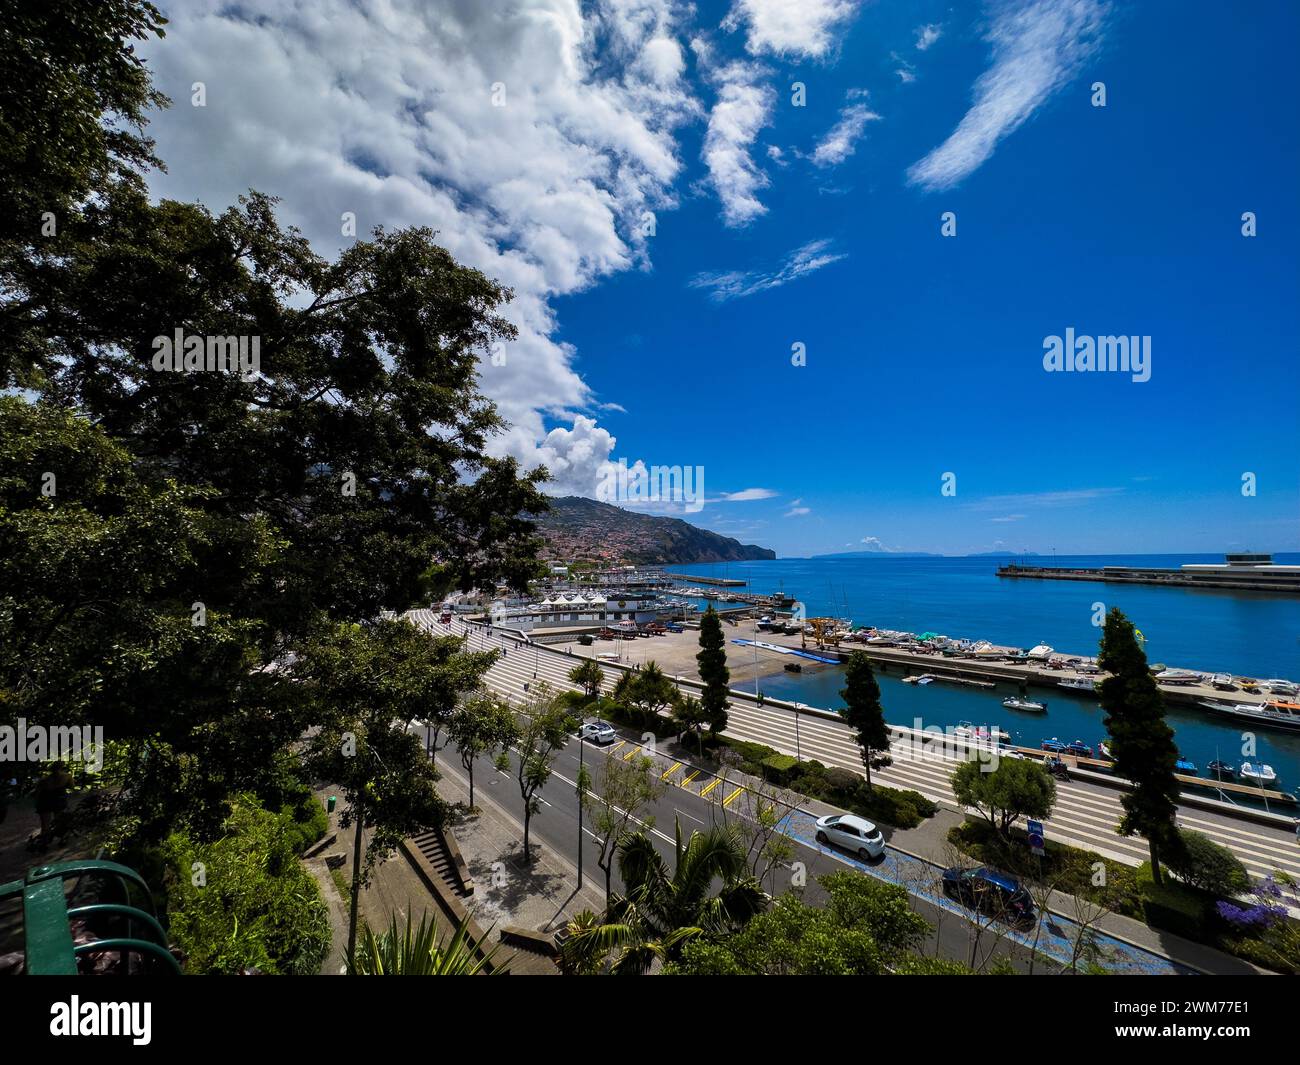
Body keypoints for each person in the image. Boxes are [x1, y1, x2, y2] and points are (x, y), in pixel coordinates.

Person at [33, 763, 72, 848]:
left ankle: (44, 843)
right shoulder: (67, 776)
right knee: (59, 821)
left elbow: (38, 792)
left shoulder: (44, 779)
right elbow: (71, 786)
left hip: (45, 801)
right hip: (59, 800)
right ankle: (62, 840)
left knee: (46, 824)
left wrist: (37, 803)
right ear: (61, 768)